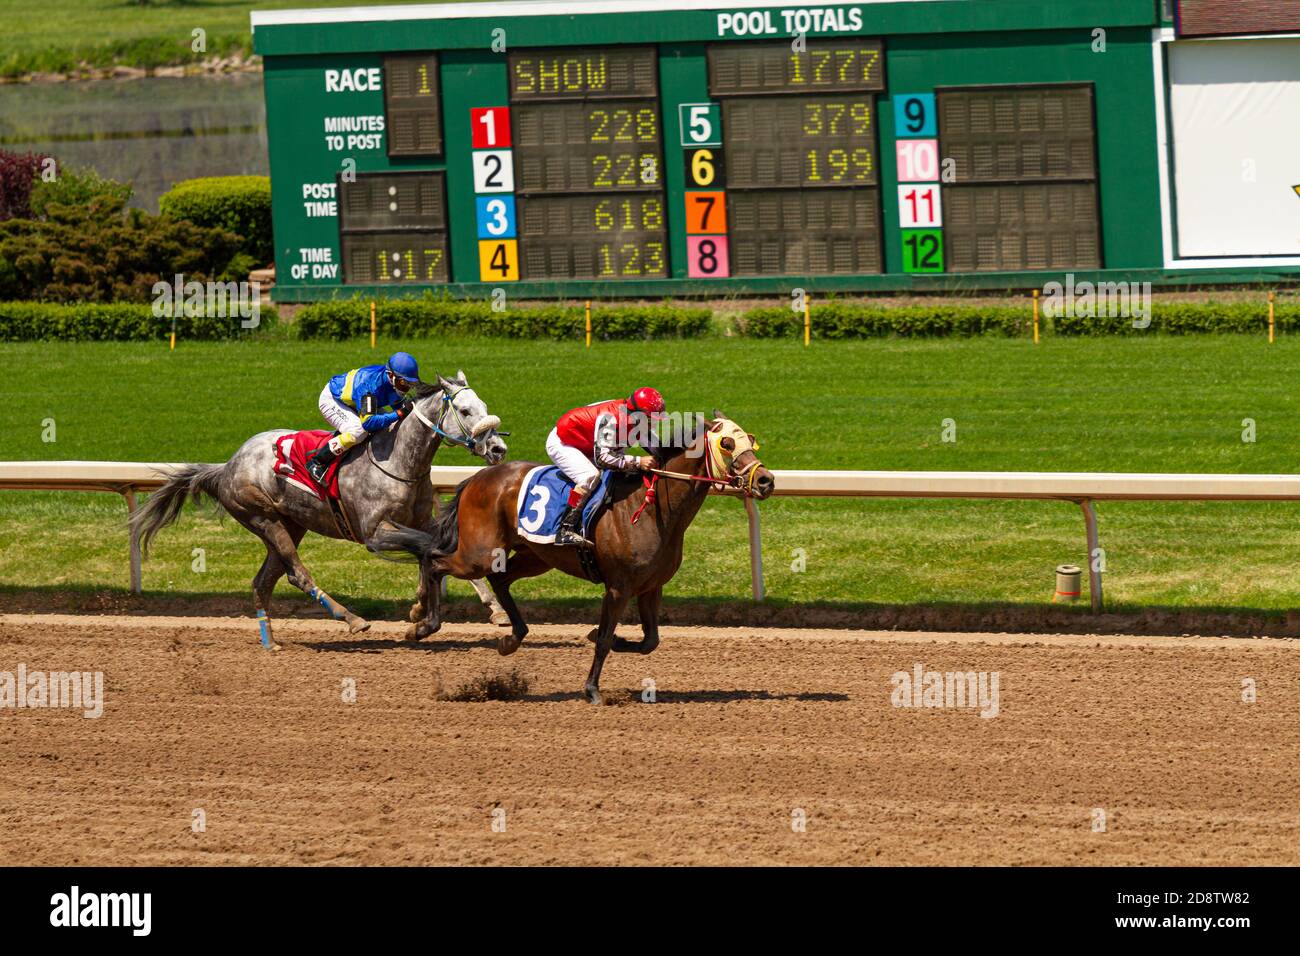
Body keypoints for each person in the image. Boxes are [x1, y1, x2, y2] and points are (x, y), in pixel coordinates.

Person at [546, 387, 666, 546]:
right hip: (565, 442)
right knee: (589, 476)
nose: (653, 424)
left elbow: (660, 449)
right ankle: (564, 529)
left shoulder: (636, 419)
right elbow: (603, 459)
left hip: (590, 441)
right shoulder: (611, 420)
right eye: (650, 419)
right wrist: (638, 461)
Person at [306, 352, 422, 483]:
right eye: (403, 383)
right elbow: (369, 423)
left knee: (389, 425)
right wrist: (398, 414)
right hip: (333, 400)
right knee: (358, 431)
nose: (406, 387)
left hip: (357, 401)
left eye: (409, 384)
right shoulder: (370, 387)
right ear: (390, 376)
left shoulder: (391, 382)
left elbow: (399, 407)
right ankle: (317, 462)